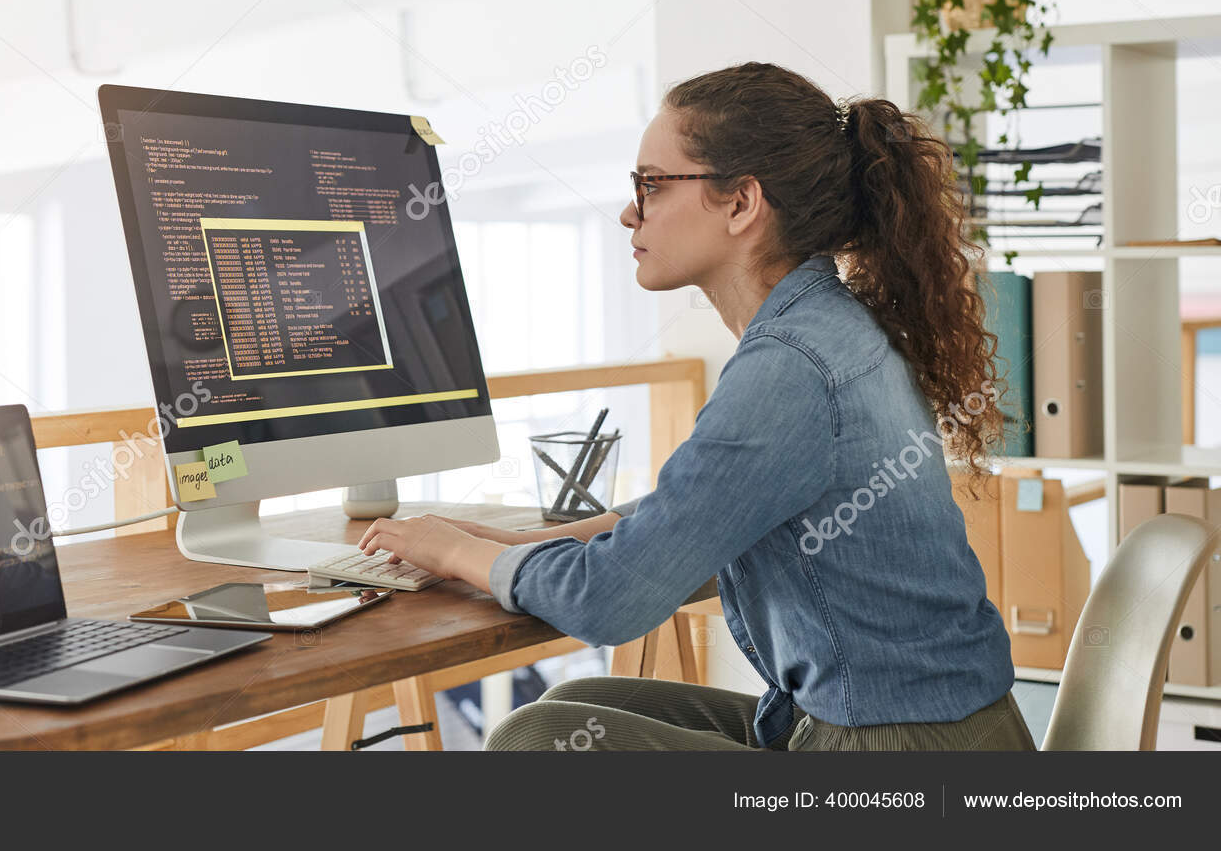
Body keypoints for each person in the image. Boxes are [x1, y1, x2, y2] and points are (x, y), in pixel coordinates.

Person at [357, 61, 1031, 752]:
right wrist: (518, 545)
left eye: (651, 185)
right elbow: (698, 517)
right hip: (918, 726)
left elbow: (612, 599)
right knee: (579, 703)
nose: (629, 211)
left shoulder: (792, 366)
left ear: (741, 203)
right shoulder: (819, 327)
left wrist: (456, 548)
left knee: (542, 737)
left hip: (902, 749)